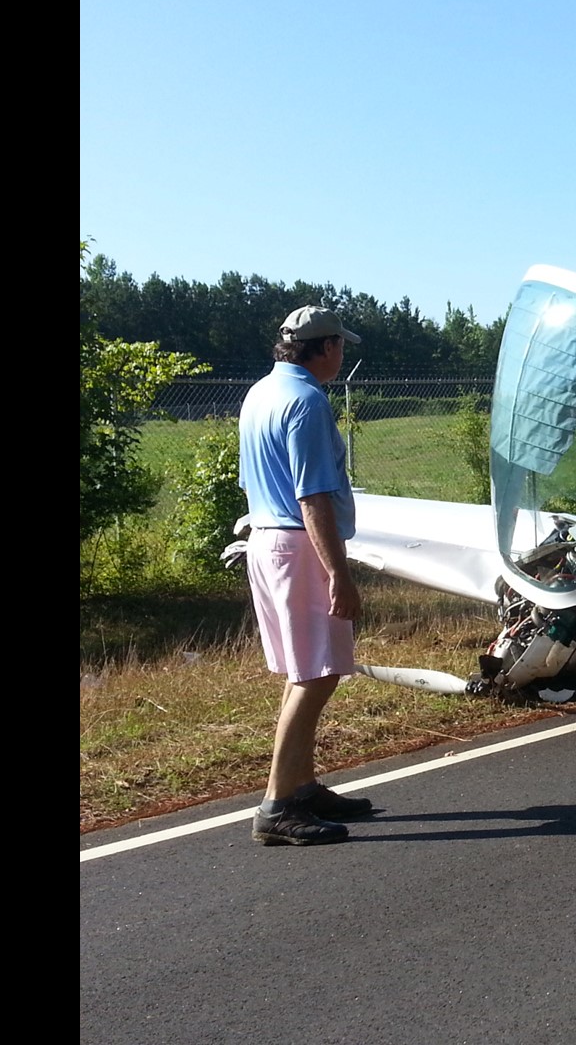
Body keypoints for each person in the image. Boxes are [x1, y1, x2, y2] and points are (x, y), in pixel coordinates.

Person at [238, 305, 373, 845]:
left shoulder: (261, 393)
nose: (343, 354)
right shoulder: (308, 402)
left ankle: (302, 785)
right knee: (315, 674)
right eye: (340, 344)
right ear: (325, 347)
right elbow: (312, 494)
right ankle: (277, 805)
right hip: (298, 545)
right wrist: (338, 572)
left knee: (310, 669)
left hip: (267, 542)